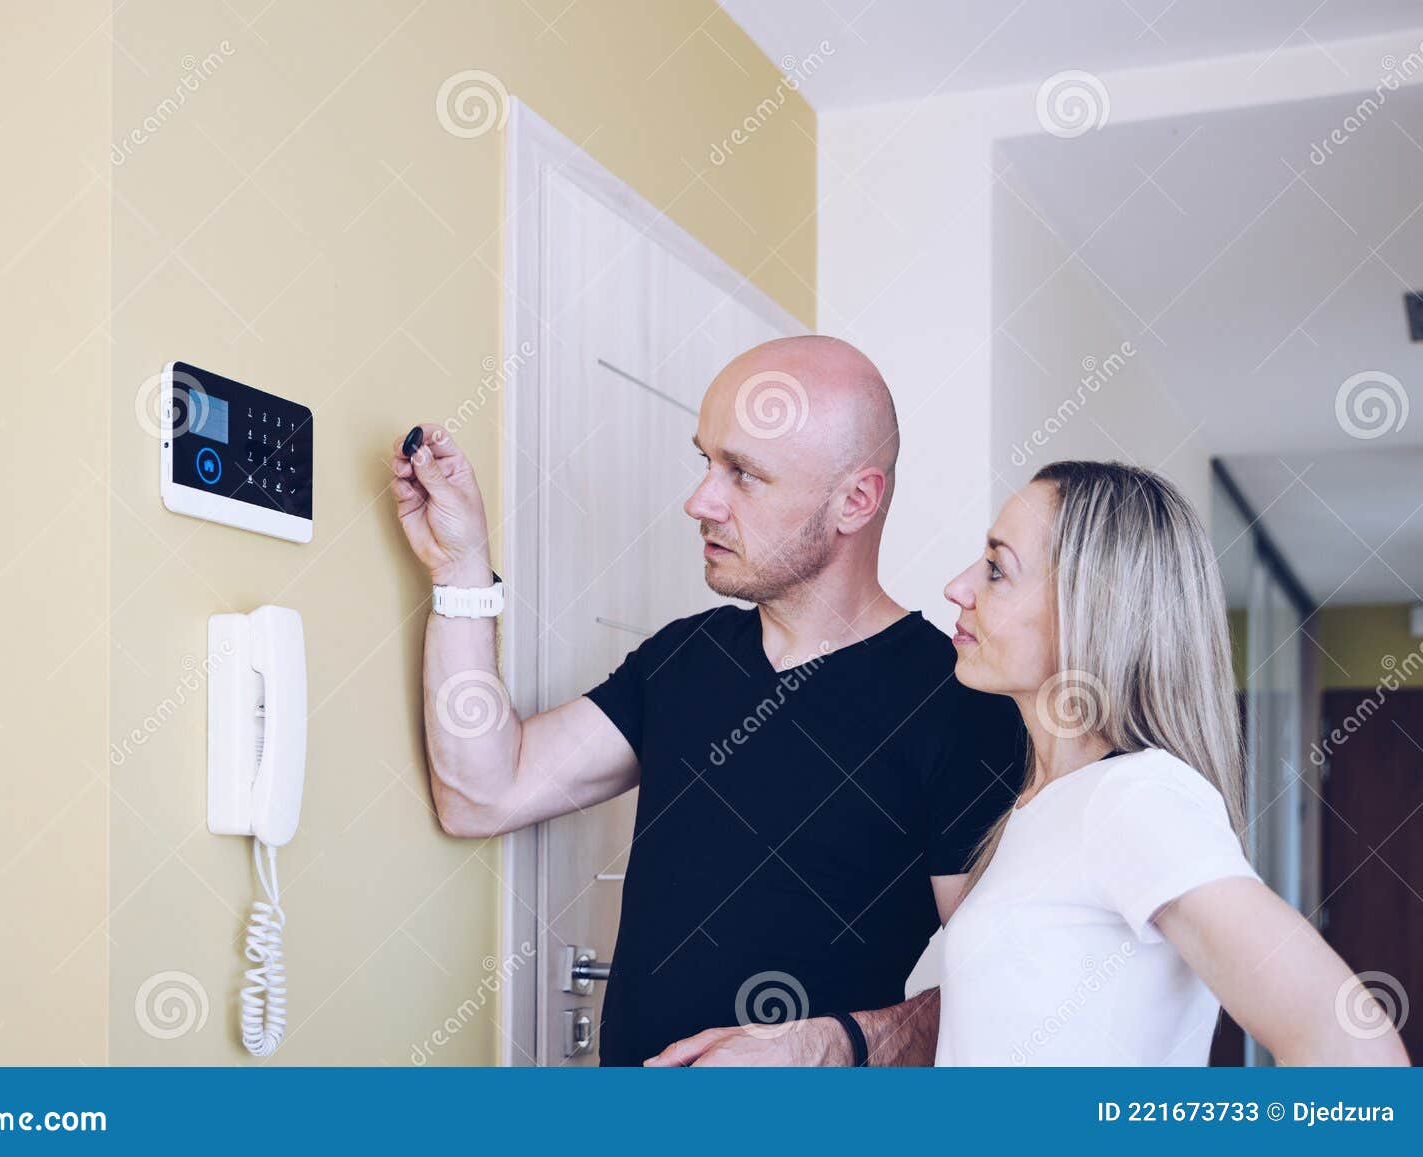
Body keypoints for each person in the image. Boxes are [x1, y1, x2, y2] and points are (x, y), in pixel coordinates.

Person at [389, 335, 1025, 1066]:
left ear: (855, 500)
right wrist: (461, 566)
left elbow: (1005, 991)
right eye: (707, 461)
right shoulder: (687, 656)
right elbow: (482, 793)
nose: (700, 500)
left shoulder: (959, 704)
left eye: (744, 474)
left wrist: (834, 1043)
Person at [935, 460, 1409, 1065]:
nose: (958, 586)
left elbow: (1356, 1055)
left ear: (1093, 608)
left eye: (997, 570)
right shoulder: (1042, 806)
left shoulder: (1135, 798)